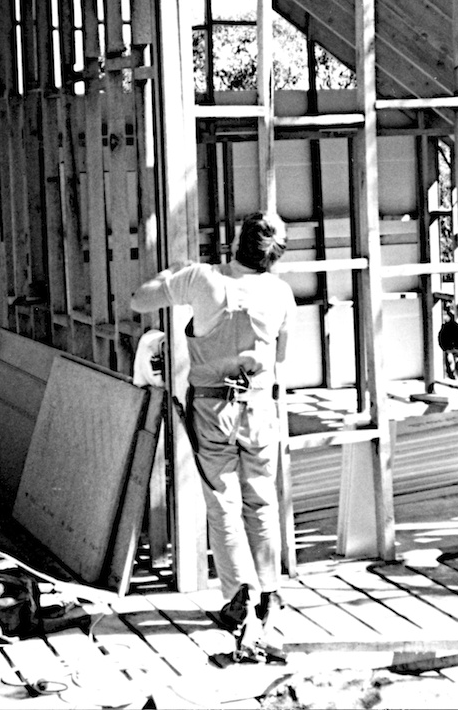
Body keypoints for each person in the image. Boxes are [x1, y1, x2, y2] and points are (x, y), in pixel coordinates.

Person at [129, 212, 296, 660]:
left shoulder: (202, 279)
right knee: (261, 500)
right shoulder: (279, 291)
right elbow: (281, 355)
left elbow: (137, 301)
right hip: (259, 406)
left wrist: (170, 275)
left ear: (236, 242)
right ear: (273, 257)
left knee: (222, 502)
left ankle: (238, 595)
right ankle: (270, 593)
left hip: (212, 407)